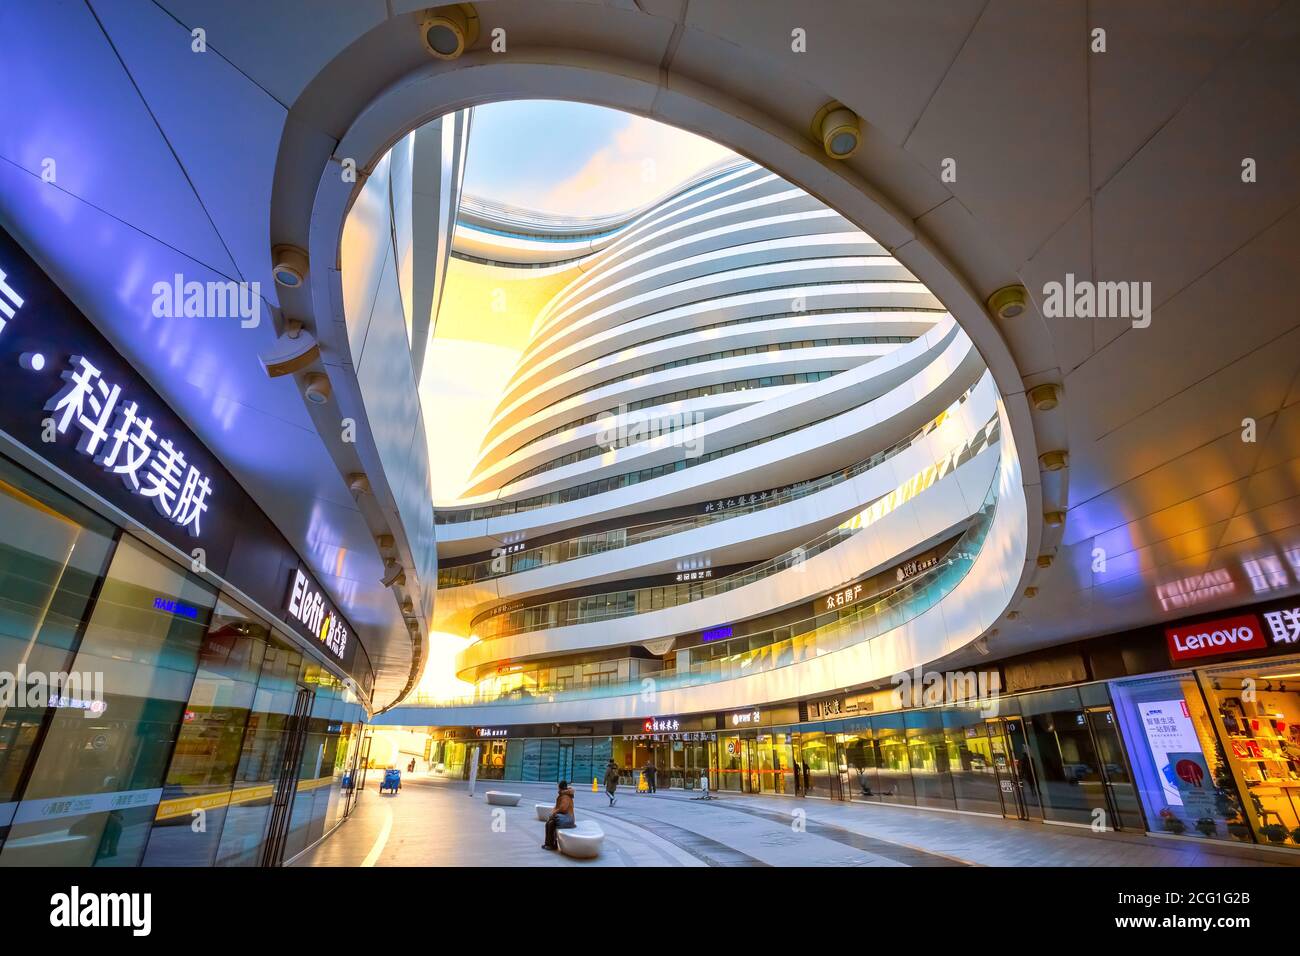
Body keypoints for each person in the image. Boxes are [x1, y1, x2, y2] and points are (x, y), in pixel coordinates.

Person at [542, 780, 576, 850]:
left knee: (551, 823)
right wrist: (553, 813)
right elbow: (558, 807)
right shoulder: (563, 794)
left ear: (560, 787)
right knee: (549, 823)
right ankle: (549, 844)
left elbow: (563, 809)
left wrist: (554, 813)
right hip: (565, 817)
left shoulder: (565, 796)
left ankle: (551, 844)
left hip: (568, 818)